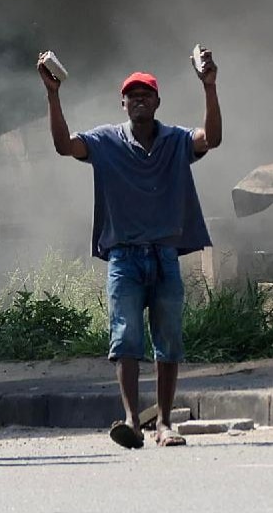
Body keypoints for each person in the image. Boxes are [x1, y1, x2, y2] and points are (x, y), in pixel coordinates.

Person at [38, 49, 220, 449]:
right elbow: (64, 146)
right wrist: (53, 94)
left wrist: (209, 86)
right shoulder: (104, 141)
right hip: (124, 256)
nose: (139, 100)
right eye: (132, 95)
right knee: (125, 340)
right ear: (122, 103)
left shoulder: (175, 140)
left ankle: (165, 423)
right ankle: (132, 419)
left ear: (157, 102)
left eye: (146, 94)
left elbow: (212, 139)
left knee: (168, 339)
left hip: (165, 253)